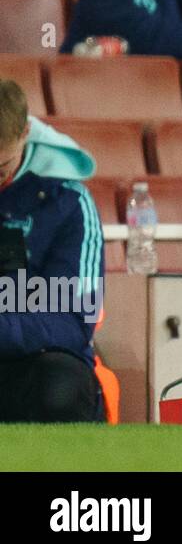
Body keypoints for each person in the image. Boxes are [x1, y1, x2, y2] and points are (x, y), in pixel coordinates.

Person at [0, 79, 105, 422]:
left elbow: (73, 319)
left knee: (59, 388)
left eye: (2, 166)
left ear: (26, 132)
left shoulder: (68, 203)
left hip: (34, 362)